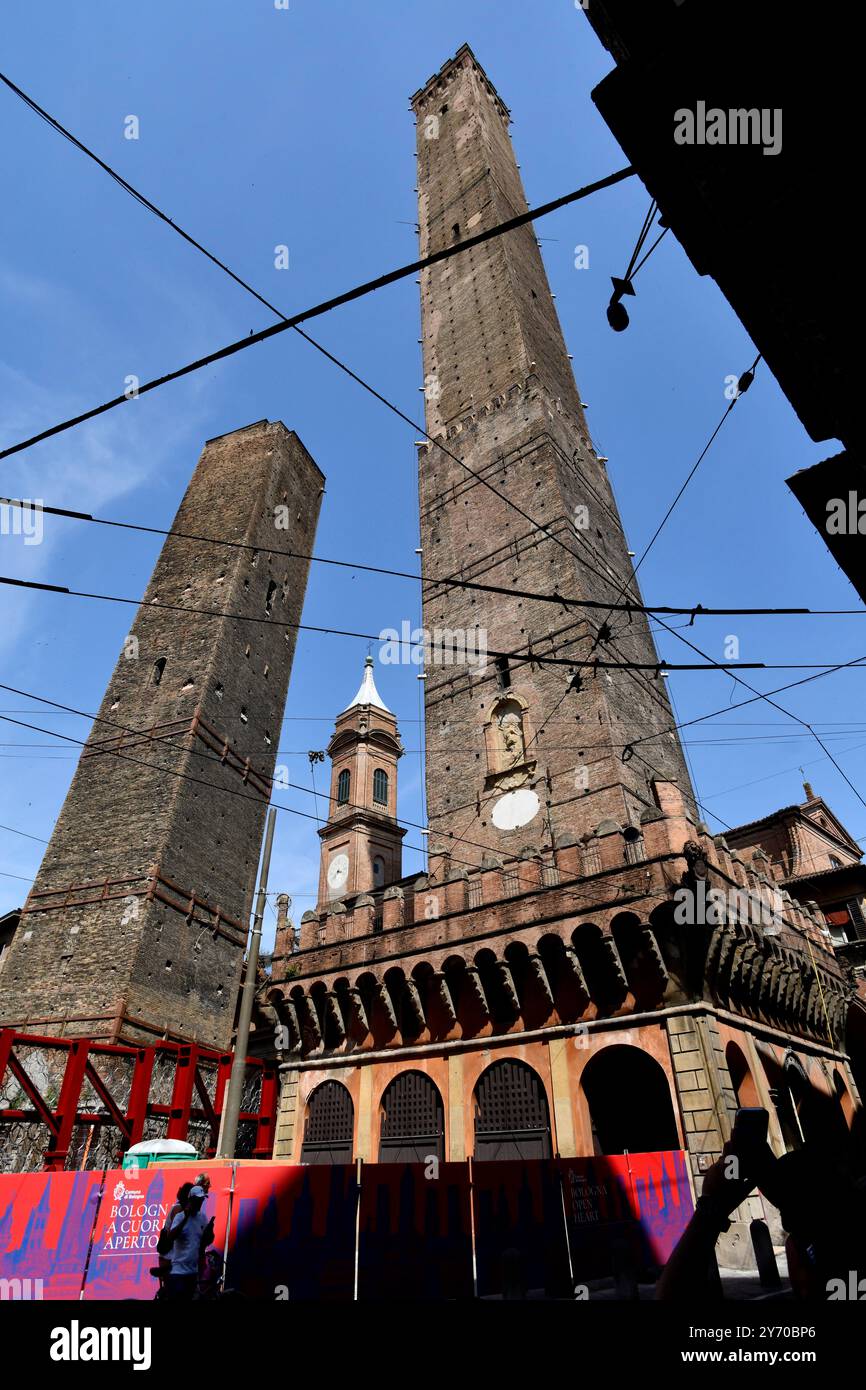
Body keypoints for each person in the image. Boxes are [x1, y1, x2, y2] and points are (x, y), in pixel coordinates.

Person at [162, 1185, 211, 1301]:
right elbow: (171, 1236)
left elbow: (205, 1241)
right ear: (191, 1200)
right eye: (198, 1200)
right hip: (178, 1272)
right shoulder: (180, 1217)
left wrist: (210, 1232)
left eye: (202, 1200)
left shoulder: (203, 1218)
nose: (200, 1203)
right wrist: (185, 1218)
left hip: (193, 1272)